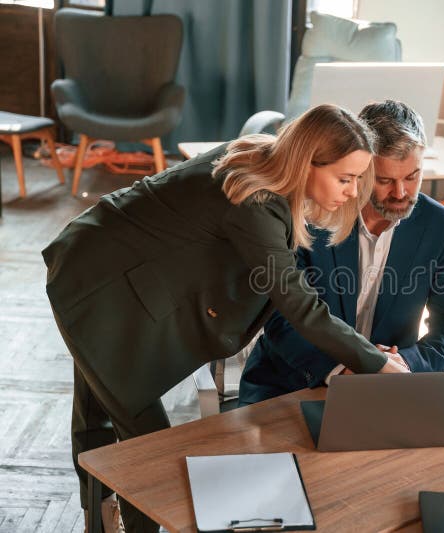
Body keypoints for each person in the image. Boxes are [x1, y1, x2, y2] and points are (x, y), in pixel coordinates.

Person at [42, 104, 409, 533]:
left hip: (113, 273)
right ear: (307, 161)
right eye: (345, 179)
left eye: (358, 180)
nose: (353, 192)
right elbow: (300, 306)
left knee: (98, 410)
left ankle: (98, 518)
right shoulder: (255, 202)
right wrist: (380, 365)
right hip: (91, 282)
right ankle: (122, 522)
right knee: (149, 449)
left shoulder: (265, 162)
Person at [239, 100, 444, 404]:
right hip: (292, 384)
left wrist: (408, 364)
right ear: (360, 169)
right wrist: (342, 371)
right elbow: (282, 317)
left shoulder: (441, 226)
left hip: (388, 391)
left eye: (412, 177)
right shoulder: (310, 211)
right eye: (385, 180)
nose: (401, 193)